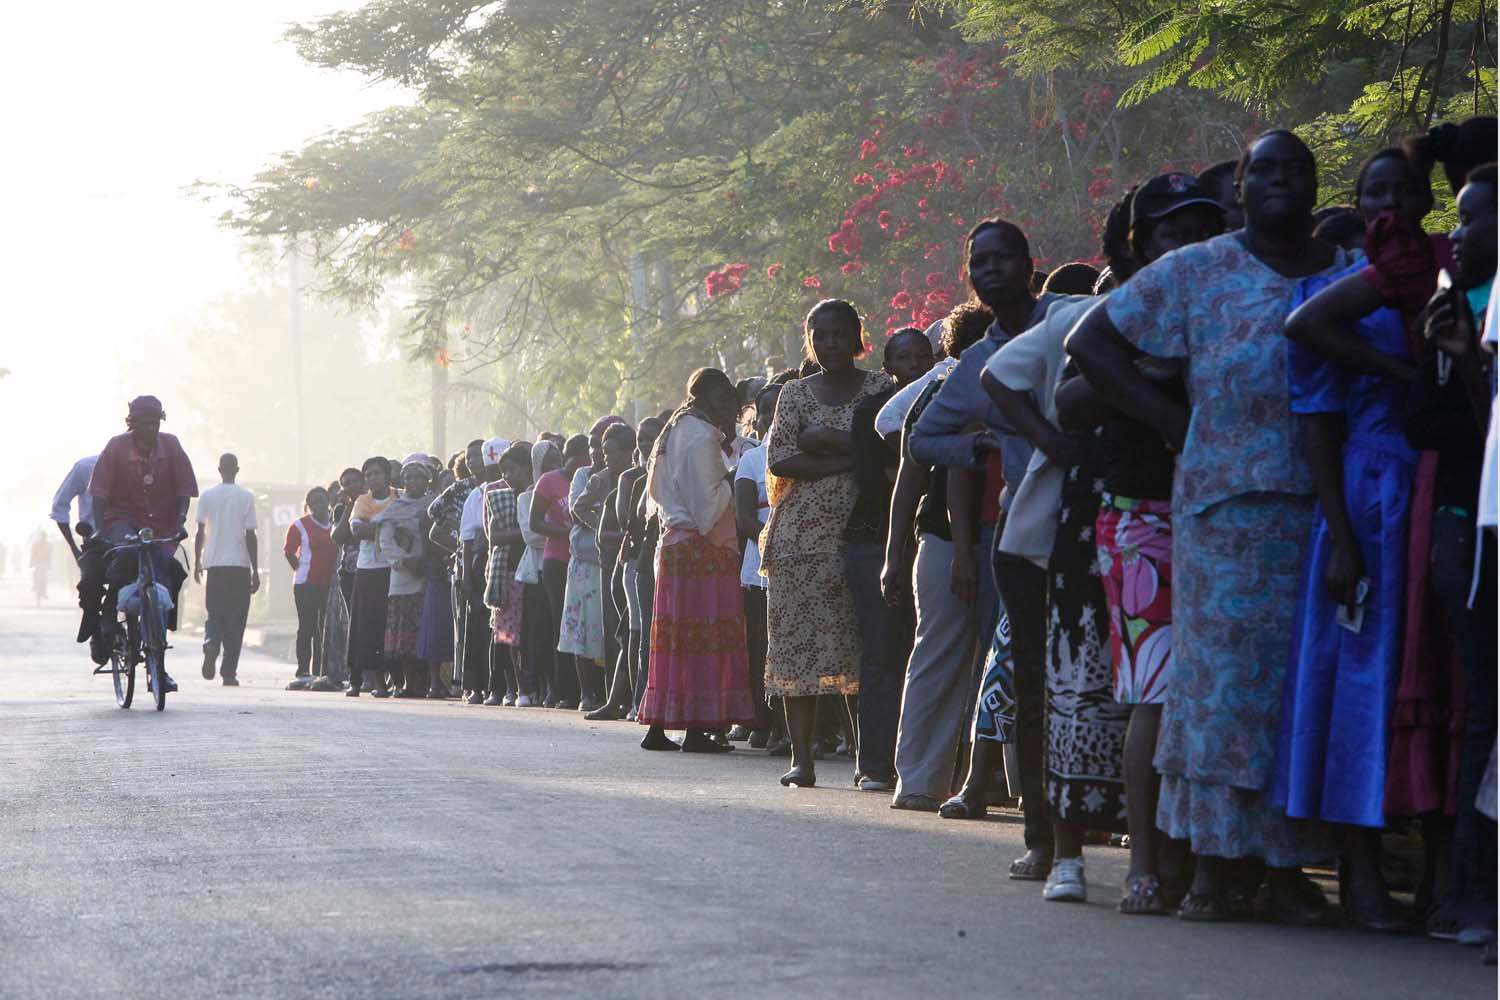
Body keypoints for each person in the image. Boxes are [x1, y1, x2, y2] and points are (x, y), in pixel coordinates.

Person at [1069, 130, 1344, 923]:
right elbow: (1093, 340)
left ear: (1314, 184)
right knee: (1219, 699)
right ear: (1244, 190)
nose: (1282, 182)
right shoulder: (1197, 270)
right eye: (1266, 171)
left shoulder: (1344, 275)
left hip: (1325, 516)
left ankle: (1286, 868)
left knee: (1297, 695)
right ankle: (1215, 868)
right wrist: (1170, 419)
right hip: (1221, 516)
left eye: (1297, 169)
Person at [1413, 160, 1497, 948]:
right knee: (1484, 715)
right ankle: (1470, 896)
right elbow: (1447, 424)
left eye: (1474, 218)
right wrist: (1459, 356)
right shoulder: (1455, 314)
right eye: (1459, 217)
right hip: (1469, 524)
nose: (1459, 232)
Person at [762, 300, 894, 787]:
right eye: (821, 335)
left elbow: (886, 448)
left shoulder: (880, 387)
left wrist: (823, 440)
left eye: (840, 334)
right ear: (809, 340)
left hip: (862, 534)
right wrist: (849, 458)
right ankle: (803, 758)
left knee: (862, 647)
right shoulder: (793, 393)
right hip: (798, 541)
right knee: (798, 647)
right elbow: (781, 460)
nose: (831, 343)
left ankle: (869, 758)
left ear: (858, 336)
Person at [886, 303, 997, 811]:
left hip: (937, 543)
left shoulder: (932, 388)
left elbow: (909, 477)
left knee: (933, 659)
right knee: (964, 661)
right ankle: (940, 781)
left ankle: (921, 780)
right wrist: (966, 553)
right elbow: (956, 469)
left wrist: (894, 554)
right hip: (964, 542)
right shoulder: (974, 382)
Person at [639, 368, 759, 753]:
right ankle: (697, 728)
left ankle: (659, 724)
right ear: (713, 399)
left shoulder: (672, 430)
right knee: (704, 640)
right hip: (702, 548)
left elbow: (657, 491)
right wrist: (734, 476)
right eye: (728, 403)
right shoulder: (702, 435)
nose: (732, 413)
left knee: (673, 641)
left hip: (675, 545)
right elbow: (708, 505)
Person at [846, 328, 933, 791]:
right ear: (888, 367)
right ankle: (875, 763)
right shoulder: (873, 413)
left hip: (928, 539)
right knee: (881, 651)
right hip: (874, 541)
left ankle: (919, 763)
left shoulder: (941, 400)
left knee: (921, 653)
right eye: (906, 358)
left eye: (925, 356)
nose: (917, 365)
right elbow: (881, 479)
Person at [83, 395, 198, 690]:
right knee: (122, 561)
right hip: (121, 519)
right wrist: (99, 530)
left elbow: (184, 488)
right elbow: (99, 492)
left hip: (161, 522)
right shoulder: (116, 447)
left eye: (156, 422)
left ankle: (158, 662)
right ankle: (110, 619)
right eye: (145, 423)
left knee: (166, 577)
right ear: (132, 423)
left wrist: (181, 520)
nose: (151, 428)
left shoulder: (171, 446)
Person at [735, 388, 780, 747]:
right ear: (758, 417)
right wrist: (775, 540)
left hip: (798, 565)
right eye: (768, 410)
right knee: (759, 646)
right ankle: (763, 720)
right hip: (758, 570)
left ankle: (790, 726)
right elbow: (744, 517)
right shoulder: (752, 460)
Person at [194, 453, 260, 686]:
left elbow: (200, 532)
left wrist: (196, 563)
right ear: (237, 469)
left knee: (215, 614)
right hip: (239, 566)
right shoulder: (246, 497)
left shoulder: (208, 495)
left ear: (219, 469)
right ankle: (229, 673)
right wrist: (255, 570)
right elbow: (250, 534)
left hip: (215, 566)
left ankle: (211, 641)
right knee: (236, 620)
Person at [532, 435, 587, 708]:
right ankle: (563, 689)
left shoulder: (590, 477)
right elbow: (535, 522)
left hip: (585, 560)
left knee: (584, 625)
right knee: (561, 625)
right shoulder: (549, 481)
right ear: (573, 458)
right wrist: (567, 532)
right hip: (556, 560)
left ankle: (586, 688)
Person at [373, 456, 434, 697]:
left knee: (423, 629)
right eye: (407, 477)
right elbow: (384, 541)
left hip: (427, 573)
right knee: (403, 634)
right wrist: (403, 561)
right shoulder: (394, 509)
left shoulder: (433, 504)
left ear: (426, 480)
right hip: (402, 575)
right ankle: (409, 683)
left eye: (417, 476)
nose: (412, 481)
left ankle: (426, 683)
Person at [338, 456, 395, 697]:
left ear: (387, 475)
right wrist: (388, 528)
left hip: (392, 568)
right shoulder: (362, 501)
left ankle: (385, 682)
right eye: (368, 474)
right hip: (367, 568)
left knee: (386, 626)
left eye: (377, 473)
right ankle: (355, 679)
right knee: (362, 624)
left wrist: (376, 529)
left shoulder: (397, 498)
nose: (372, 478)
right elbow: (357, 530)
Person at [484, 443, 533, 705]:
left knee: (532, 632)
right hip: (509, 573)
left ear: (527, 468)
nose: (507, 477)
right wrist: (525, 532)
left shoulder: (536, 494)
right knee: (509, 635)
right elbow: (494, 536)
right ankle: (518, 688)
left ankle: (535, 687)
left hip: (534, 570)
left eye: (512, 470)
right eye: (504, 472)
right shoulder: (500, 499)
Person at [283, 486, 335, 690]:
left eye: (321, 500)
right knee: (307, 626)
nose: (318, 505)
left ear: (328, 500)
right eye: (313, 502)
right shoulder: (299, 525)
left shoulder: (335, 523)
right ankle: (303, 669)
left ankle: (322, 669)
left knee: (325, 627)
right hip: (306, 583)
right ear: (308, 505)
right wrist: (299, 568)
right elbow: (288, 551)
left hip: (329, 584)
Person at [49, 454, 98, 562]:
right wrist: (75, 550)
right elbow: (59, 506)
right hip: (96, 544)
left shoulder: (140, 466)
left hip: (137, 541)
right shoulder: (85, 467)